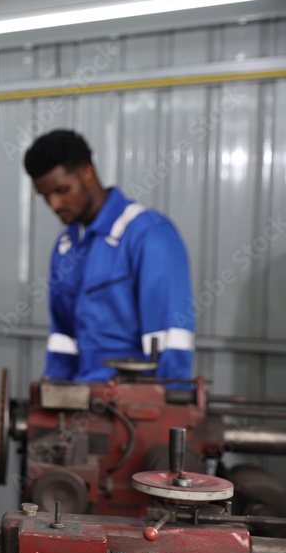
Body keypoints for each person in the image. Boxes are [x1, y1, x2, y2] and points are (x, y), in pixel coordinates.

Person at [23, 129, 195, 383]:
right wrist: (51, 394)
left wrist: (166, 407)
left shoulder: (148, 235)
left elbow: (171, 340)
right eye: (45, 195)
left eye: (62, 190)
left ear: (88, 172)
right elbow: (64, 338)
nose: (54, 204)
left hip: (133, 406)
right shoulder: (66, 246)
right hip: (80, 400)